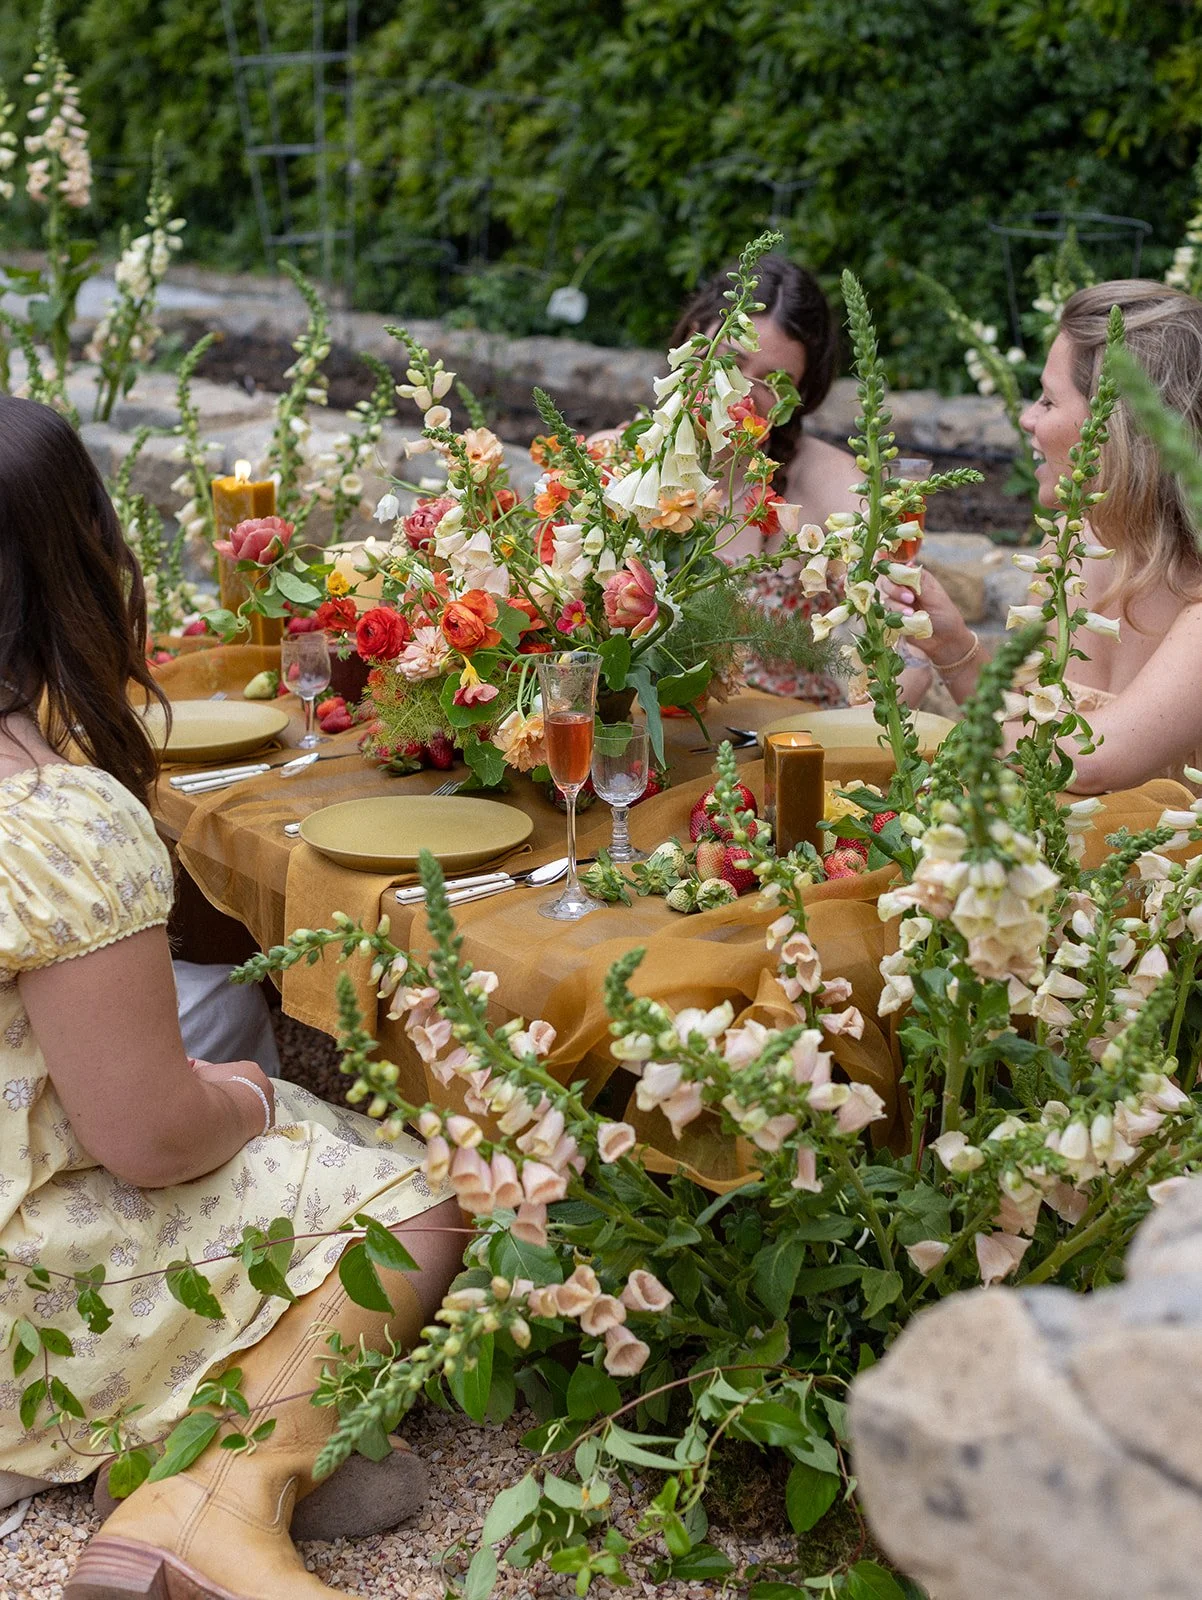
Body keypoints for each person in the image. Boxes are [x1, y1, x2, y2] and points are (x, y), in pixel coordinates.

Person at [0, 395, 462, 1599]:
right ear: (74, 567)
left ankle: (167, 1445)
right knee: (416, 1189)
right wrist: (250, 1101)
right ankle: (219, 1501)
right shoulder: (48, 819)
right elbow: (147, 1137)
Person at [882, 279, 1202, 793]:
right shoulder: (1072, 541)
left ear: (1116, 428)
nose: (1028, 419)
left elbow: (1092, 764)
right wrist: (952, 644)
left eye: (1049, 402)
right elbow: (1027, 726)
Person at [670, 254, 863, 703]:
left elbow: (906, 653)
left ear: (801, 396)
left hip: (787, 755)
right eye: (731, 360)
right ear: (693, 336)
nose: (741, 390)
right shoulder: (614, 462)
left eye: (774, 382)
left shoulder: (836, 486)